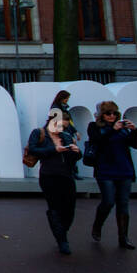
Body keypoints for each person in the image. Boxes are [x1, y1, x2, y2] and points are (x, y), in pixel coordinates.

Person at [88, 101, 137, 249]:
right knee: (108, 201)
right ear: (101, 115)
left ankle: (123, 238)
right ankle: (97, 225)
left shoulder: (123, 129)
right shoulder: (94, 127)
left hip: (124, 170)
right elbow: (97, 141)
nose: (112, 116)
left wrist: (134, 130)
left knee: (123, 204)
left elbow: (136, 145)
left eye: (114, 113)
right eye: (108, 113)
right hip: (105, 170)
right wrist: (112, 129)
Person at [27, 109, 81, 254]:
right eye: (58, 125)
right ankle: (62, 240)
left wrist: (76, 152)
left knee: (70, 208)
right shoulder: (39, 133)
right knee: (54, 207)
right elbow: (33, 149)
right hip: (49, 175)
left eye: (63, 127)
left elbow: (74, 158)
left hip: (67, 176)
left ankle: (62, 231)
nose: (60, 129)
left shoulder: (66, 136)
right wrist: (54, 149)